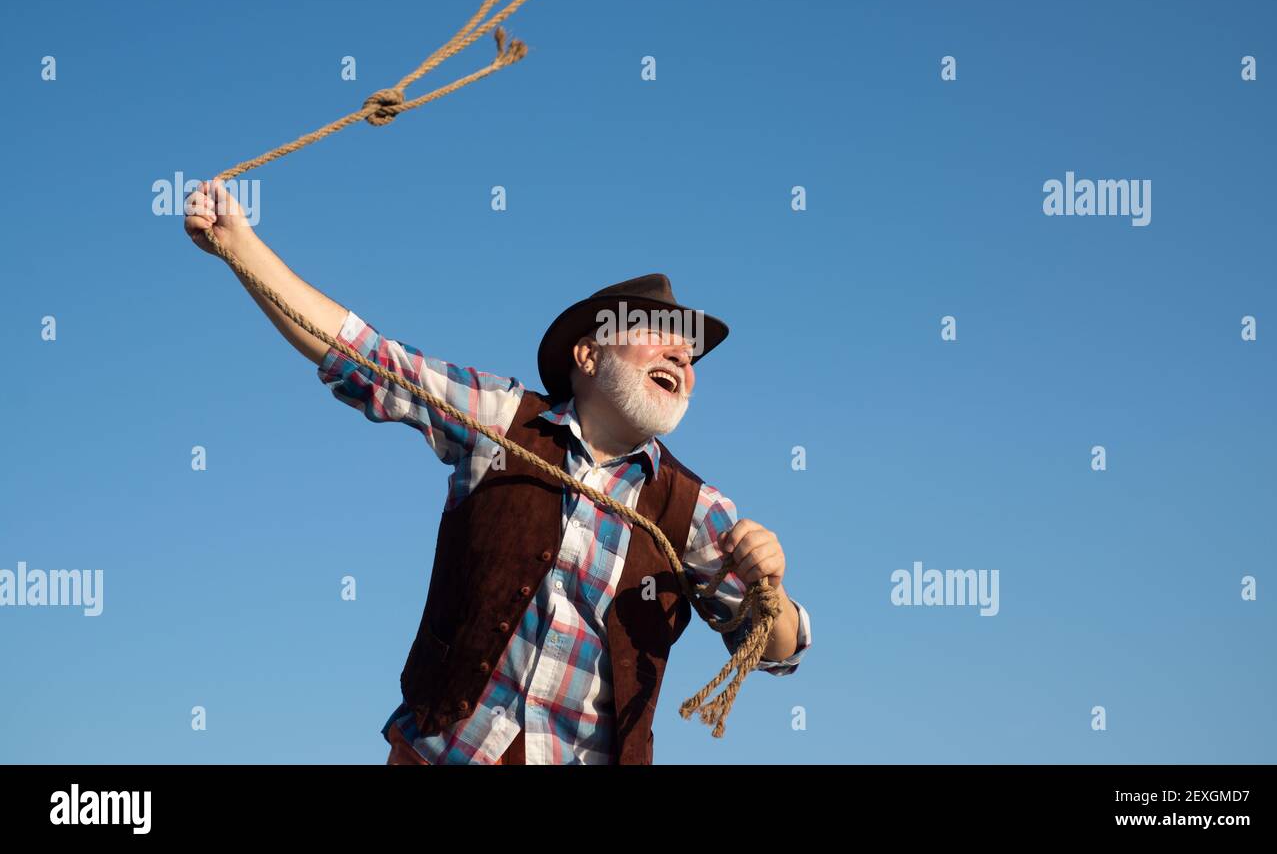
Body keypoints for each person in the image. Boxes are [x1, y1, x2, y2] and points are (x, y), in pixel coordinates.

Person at [184, 179, 812, 764]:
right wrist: (240, 245)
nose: (680, 352)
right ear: (589, 355)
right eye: (657, 333)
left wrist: (772, 589)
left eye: (689, 350)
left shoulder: (695, 511)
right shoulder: (503, 420)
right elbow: (368, 361)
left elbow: (776, 652)